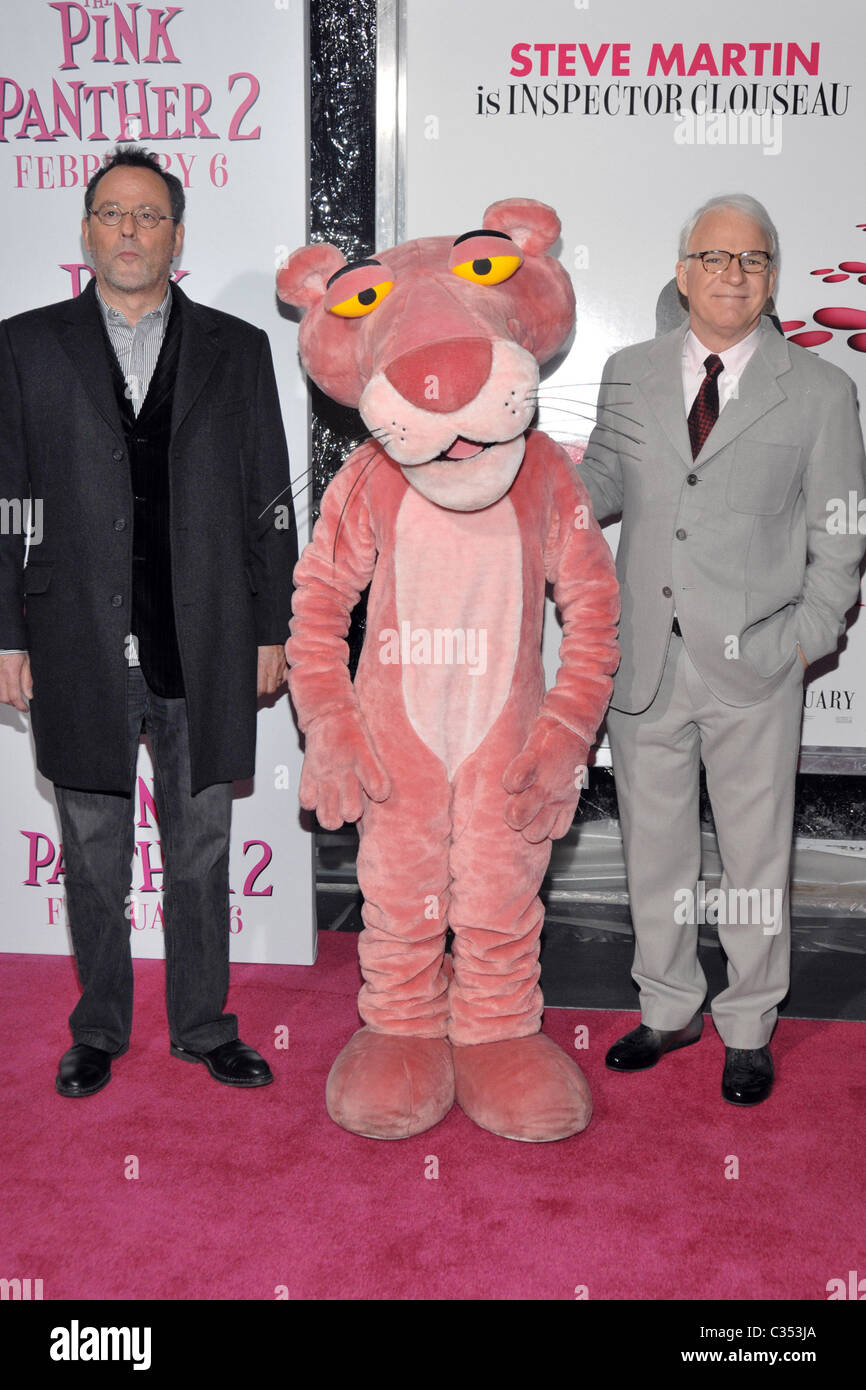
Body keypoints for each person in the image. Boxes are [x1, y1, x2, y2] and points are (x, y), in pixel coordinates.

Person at [0, 146, 297, 1097]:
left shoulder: (238, 348)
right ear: (87, 231)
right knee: (90, 849)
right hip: (72, 641)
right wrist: (6, 633)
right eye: (112, 214)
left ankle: (205, 1024)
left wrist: (272, 626)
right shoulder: (23, 345)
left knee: (202, 845)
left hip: (204, 640)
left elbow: (268, 502)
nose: (130, 231)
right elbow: (7, 503)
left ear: (178, 234)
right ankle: (99, 1029)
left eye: (149, 216)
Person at [580, 193, 866, 1105]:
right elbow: (599, 487)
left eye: (752, 260)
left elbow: (841, 530)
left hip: (757, 665)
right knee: (654, 851)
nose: (732, 275)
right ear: (682, 269)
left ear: (773, 276)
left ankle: (748, 1023)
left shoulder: (821, 391)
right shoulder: (628, 373)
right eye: (715, 258)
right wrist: (503, 467)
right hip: (645, 664)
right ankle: (667, 1006)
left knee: (753, 860)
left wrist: (807, 639)